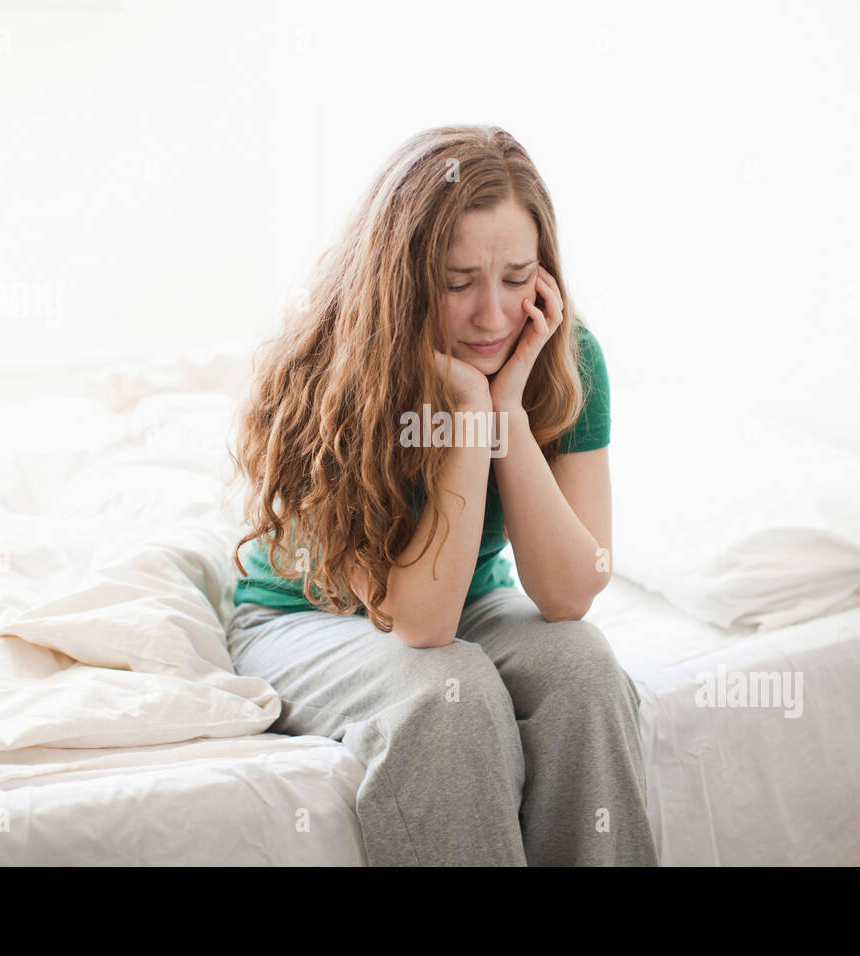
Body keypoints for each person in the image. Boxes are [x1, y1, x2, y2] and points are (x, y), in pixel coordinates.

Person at [224, 124, 658, 866]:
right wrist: (465, 412)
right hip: (305, 613)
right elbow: (422, 625)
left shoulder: (567, 356)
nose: (493, 316)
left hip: (466, 598)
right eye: (458, 284)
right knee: (447, 695)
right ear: (404, 278)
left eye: (518, 278)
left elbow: (567, 595)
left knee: (584, 665)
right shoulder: (332, 368)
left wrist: (508, 416)